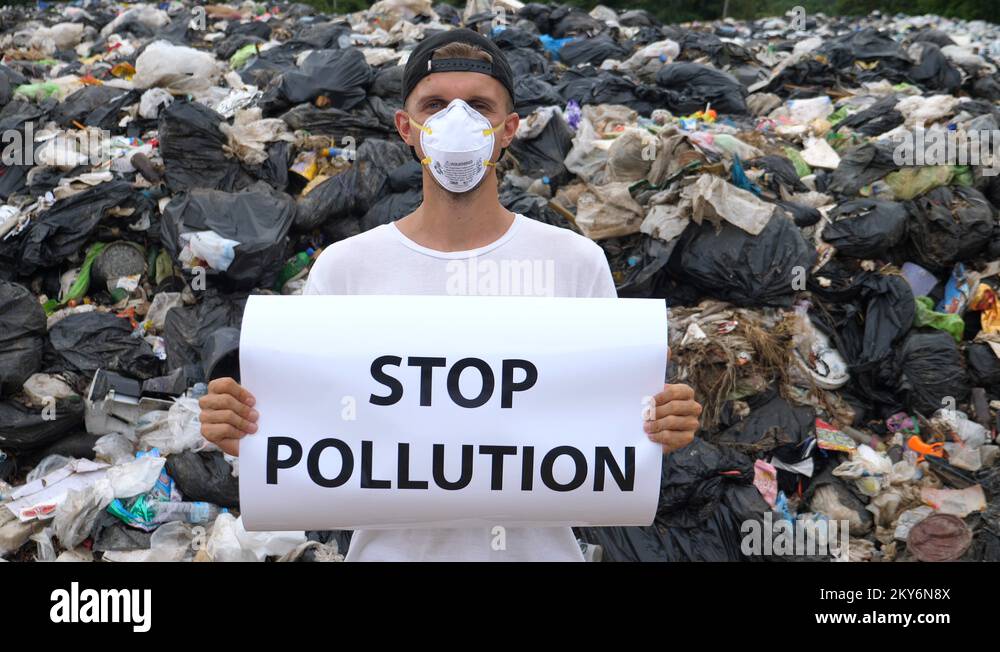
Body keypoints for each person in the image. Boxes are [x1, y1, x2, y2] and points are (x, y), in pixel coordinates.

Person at [199, 28, 703, 561]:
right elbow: (313, 434)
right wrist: (246, 432)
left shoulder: (574, 264)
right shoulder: (345, 271)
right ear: (406, 128)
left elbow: (607, 425)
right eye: (435, 105)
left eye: (478, 106)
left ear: (508, 130)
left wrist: (659, 424)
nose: (456, 121)